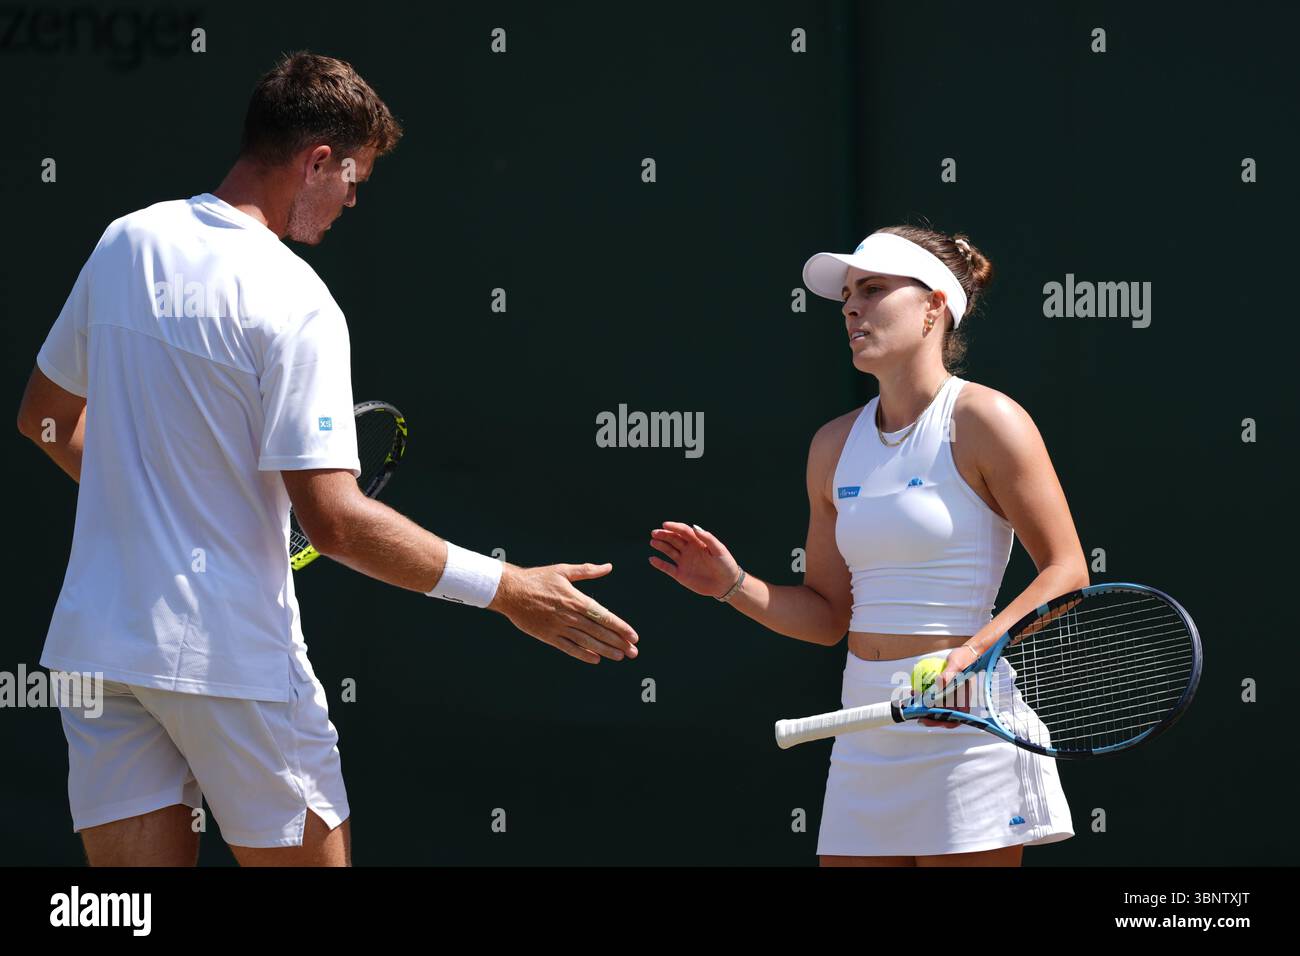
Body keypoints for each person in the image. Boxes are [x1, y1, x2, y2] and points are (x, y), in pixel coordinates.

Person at [16, 51, 638, 868]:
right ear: (317, 160)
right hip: (228, 654)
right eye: (354, 178)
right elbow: (335, 524)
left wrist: (150, 502)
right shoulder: (296, 297)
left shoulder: (125, 242)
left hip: (100, 647)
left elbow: (45, 422)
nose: (353, 199)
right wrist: (510, 590)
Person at [649, 225, 1084, 866]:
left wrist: (971, 655)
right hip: (866, 721)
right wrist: (734, 585)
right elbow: (829, 616)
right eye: (848, 294)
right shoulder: (831, 446)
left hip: (966, 725)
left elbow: (1067, 571)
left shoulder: (987, 420)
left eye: (873, 288)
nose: (851, 307)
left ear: (935, 305)